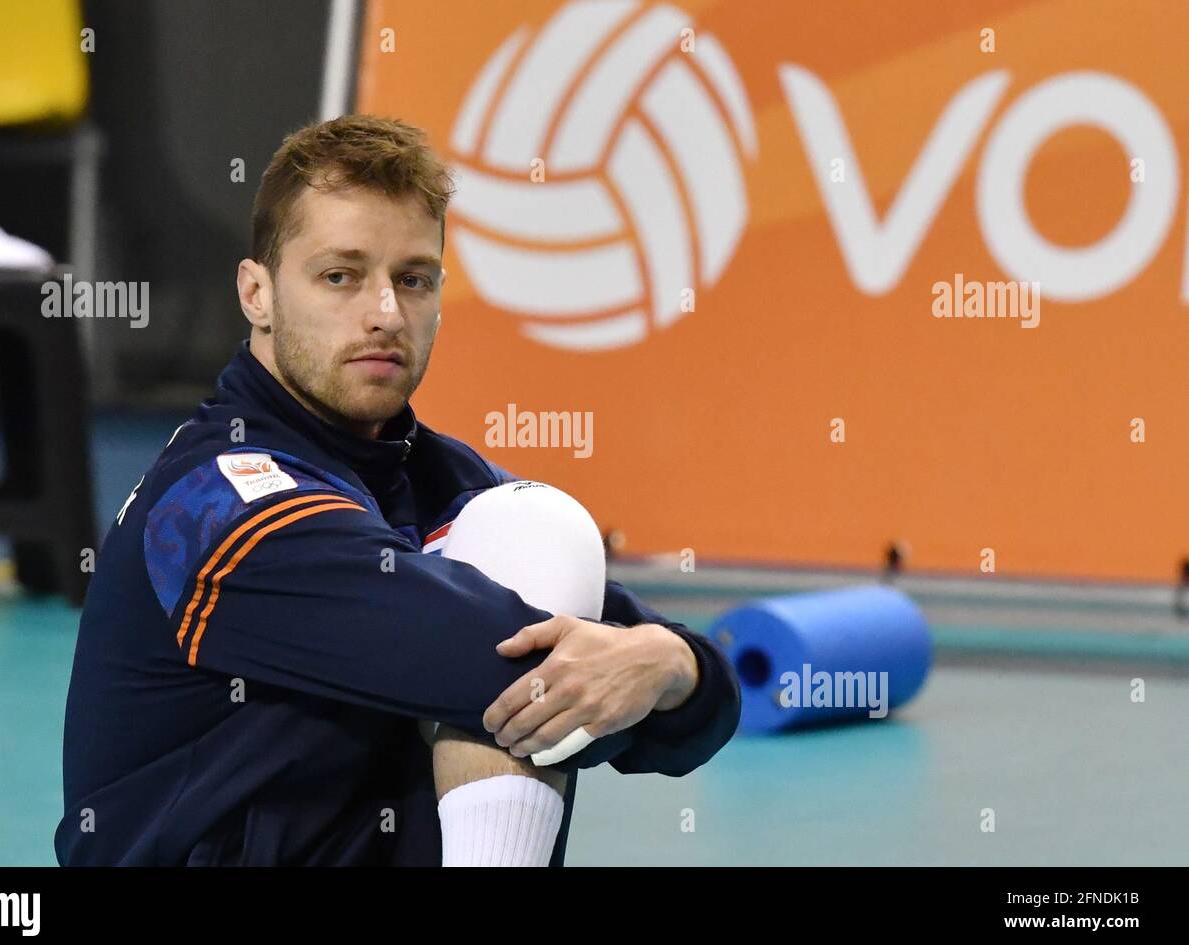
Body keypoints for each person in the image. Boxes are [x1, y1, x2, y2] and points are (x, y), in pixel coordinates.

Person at [55, 113, 740, 866]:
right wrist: (646, 671)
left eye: (412, 279)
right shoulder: (214, 504)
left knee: (533, 526)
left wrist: (667, 663)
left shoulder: (448, 485)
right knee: (519, 611)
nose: (385, 314)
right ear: (257, 293)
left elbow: (695, 705)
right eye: (340, 276)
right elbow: (521, 674)